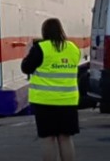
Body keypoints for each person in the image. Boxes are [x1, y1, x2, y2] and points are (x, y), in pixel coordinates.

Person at [21, 18, 81, 161]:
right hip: (68, 100)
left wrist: (28, 52)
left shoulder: (41, 48)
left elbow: (26, 68)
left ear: (44, 32)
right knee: (65, 138)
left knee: (48, 138)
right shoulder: (73, 48)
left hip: (45, 101)